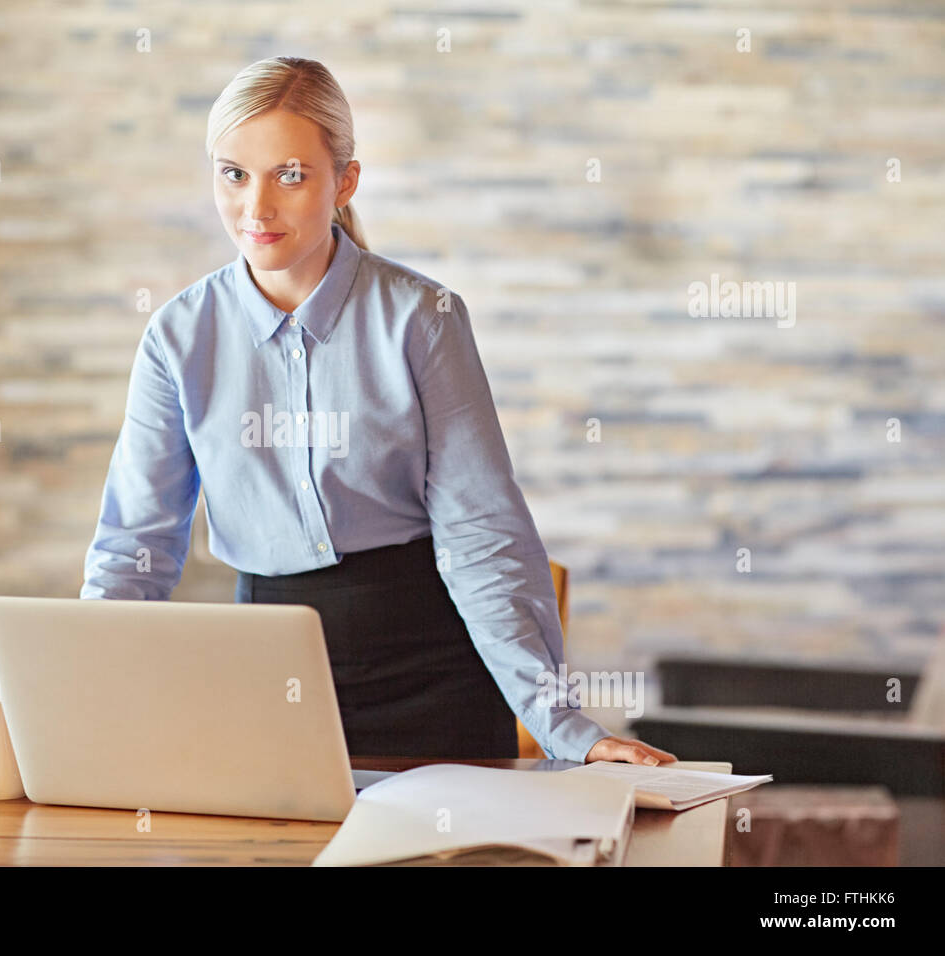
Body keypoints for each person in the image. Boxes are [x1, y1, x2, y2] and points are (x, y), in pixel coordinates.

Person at [82, 55, 675, 767]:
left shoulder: (422, 319)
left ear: (345, 181)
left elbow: (482, 532)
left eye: (290, 175)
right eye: (233, 173)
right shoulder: (179, 337)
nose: (256, 208)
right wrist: (75, 703)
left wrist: (567, 729)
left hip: (434, 682)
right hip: (270, 687)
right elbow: (133, 549)